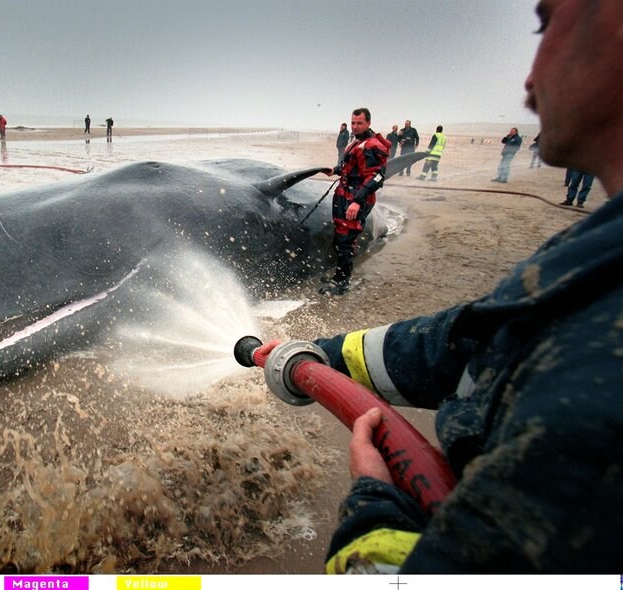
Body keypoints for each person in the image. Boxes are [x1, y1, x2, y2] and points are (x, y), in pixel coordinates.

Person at [263, 0, 623, 573]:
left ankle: (339, 279)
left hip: (356, 207)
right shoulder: (588, 264)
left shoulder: (588, 408)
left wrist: (374, 509)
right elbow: (467, 342)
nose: (527, 78)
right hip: (345, 208)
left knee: (347, 245)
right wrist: (321, 356)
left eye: (546, 21)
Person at [319, 107, 390, 296]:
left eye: (359, 123)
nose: (355, 126)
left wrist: (358, 201)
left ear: (368, 123)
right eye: (353, 123)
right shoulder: (357, 142)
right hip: (344, 196)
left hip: (355, 199)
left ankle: (342, 283)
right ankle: (338, 275)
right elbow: (351, 167)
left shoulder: (372, 146)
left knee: (346, 240)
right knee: (340, 236)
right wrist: (334, 170)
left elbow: (376, 177)